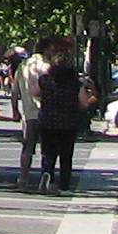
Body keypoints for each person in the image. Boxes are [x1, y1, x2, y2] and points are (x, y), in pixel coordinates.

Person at [32, 37, 87, 194]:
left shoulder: (45, 79)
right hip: (68, 122)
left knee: (48, 153)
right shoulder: (75, 82)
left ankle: (47, 174)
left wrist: (45, 98)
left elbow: (34, 92)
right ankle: (64, 185)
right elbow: (83, 103)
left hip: (48, 121)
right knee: (66, 155)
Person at [13, 43, 48, 189]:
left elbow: (15, 92)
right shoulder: (46, 67)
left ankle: (23, 177)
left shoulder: (23, 66)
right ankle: (45, 177)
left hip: (29, 113)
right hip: (45, 112)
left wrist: (15, 111)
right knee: (46, 149)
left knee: (27, 148)